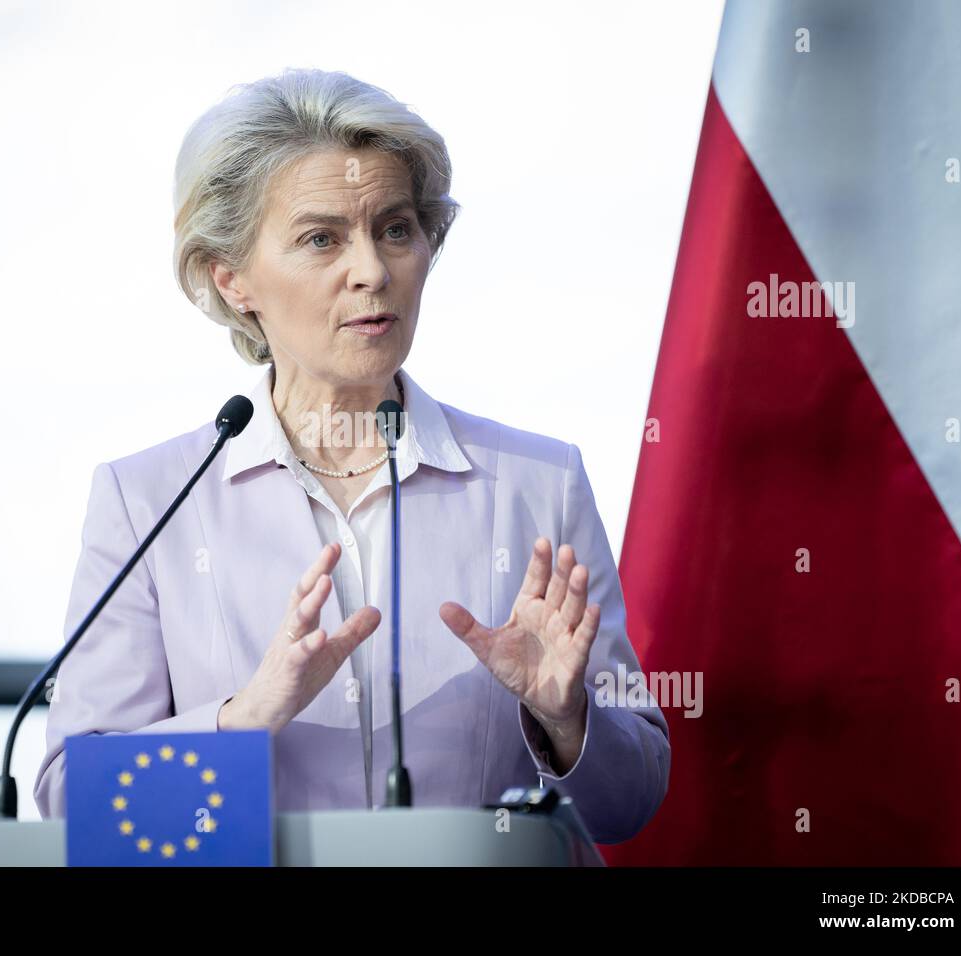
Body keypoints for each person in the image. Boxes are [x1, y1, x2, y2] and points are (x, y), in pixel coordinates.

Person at [34, 68, 669, 844]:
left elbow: (630, 805)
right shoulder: (149, 500)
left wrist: (564, 720)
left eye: (396, 229)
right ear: (230, 279)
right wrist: (246, 716)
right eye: (321, 238)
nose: (372, 269)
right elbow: (75, 807)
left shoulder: (538, 483)